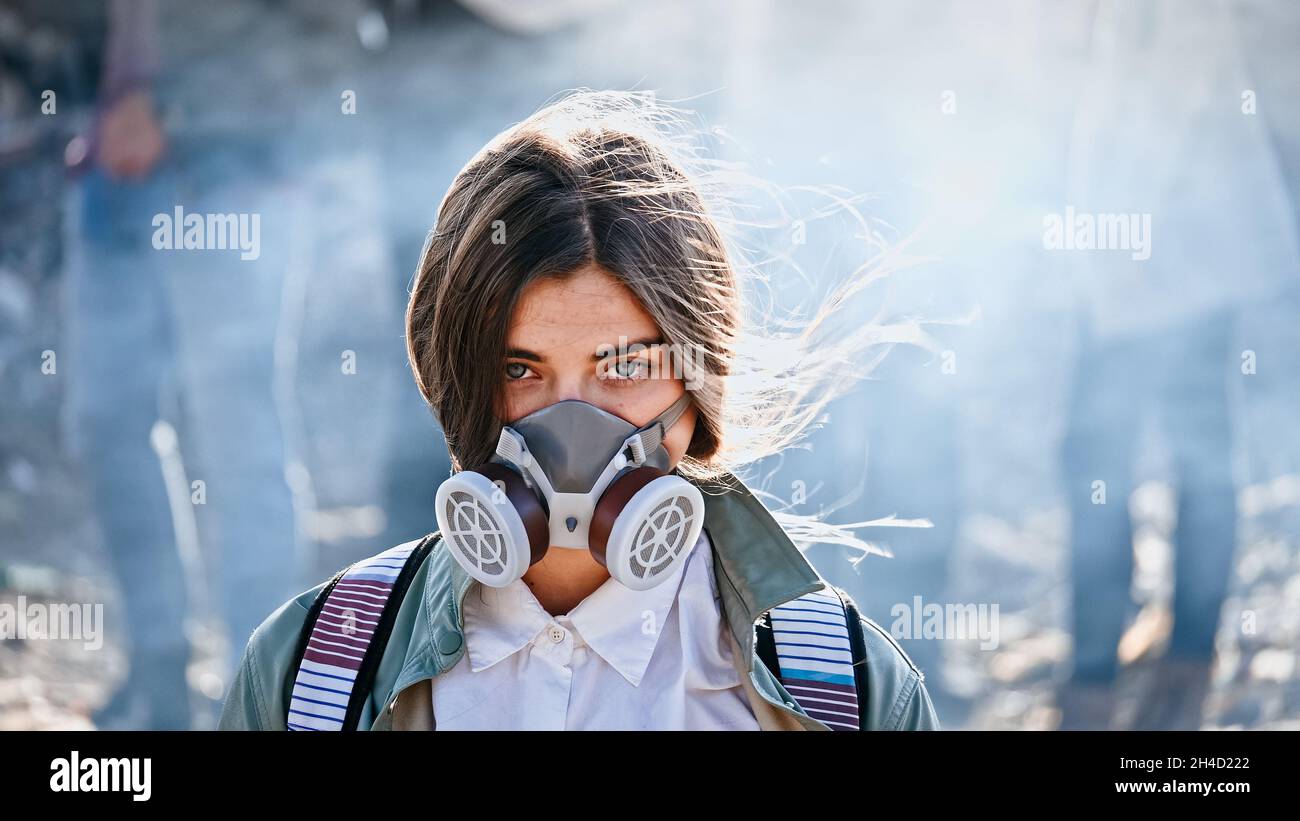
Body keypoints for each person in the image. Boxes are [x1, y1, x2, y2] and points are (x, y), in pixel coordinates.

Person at [218, 90, 940, 731]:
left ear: (701, 375)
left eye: (624, 366)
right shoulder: (317, 676)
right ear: (451, 377)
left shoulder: (846, 694)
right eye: (518, 368)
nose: (572, 425)